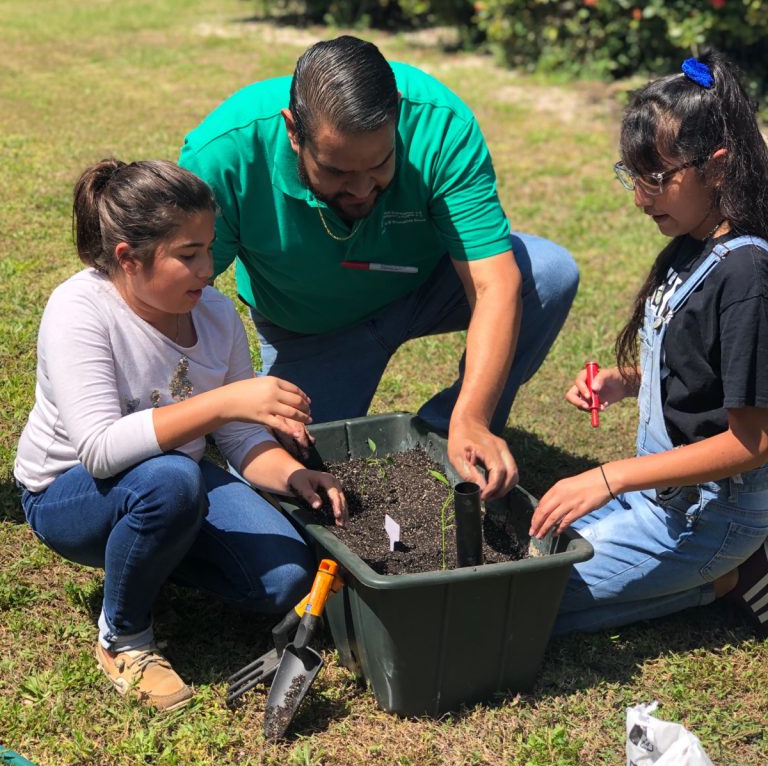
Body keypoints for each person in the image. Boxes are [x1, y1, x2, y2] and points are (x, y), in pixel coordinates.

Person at [179, 35, 579, 500]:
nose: (361, 189)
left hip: (424, 287)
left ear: (397, 119)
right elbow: (181, 293)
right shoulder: (224, 154)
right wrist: (194, 404)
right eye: (337, 171)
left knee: (547, 274)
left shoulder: (440, 125)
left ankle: (446, 435)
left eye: (380, 164)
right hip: (310, 327)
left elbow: (494, 284)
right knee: (289, 475)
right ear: (293, 131)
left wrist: (471, 416)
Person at [14, 159, 347, 712]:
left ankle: (150, 552)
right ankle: (123, 637)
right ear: (128, 258)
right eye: (188, 255)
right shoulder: (79, 311)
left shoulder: (215, 314)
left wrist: (294, 474)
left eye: (210, 249)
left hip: (176, 480)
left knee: (286, 578)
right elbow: (98, 452)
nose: (208, 269)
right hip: (68, 494)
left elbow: (239, 439)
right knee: (169, 481)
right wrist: (223, 402)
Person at [530, 51, 768, 638]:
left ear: (717, 168)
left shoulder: (746, 275)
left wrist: (610, 477)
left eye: (656, 178)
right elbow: (707, 373)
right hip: (660, 496)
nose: (640, 198)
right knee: (527, 559)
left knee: (525, 604)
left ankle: (727, 575)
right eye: (632, 175)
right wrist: (628, 382)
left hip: (710, 515)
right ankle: (720, 578)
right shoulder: (694, 239)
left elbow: (754, 442)